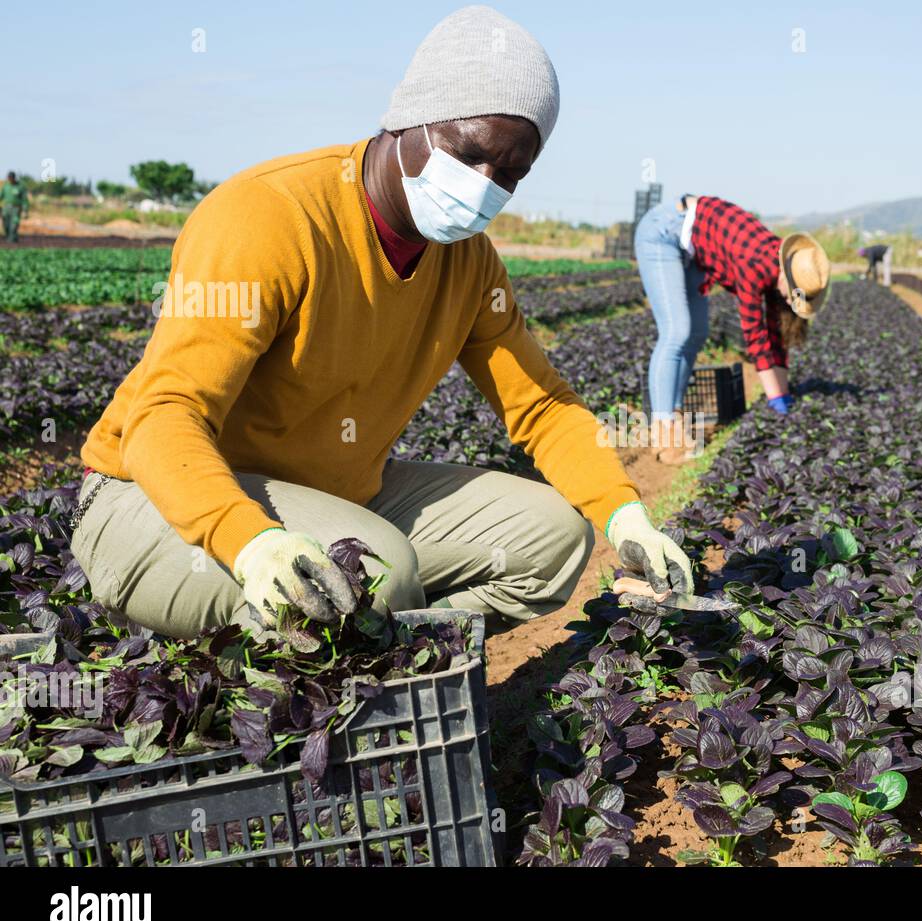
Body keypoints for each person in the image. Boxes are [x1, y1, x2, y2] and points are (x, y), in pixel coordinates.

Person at [71, 5, 693, 640]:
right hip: (151, 502)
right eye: (468, 153)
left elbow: (542, 406)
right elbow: (164, 413)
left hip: (333, 494)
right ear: (407, 119)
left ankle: (389, 652)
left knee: (555, 538)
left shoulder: (469, 263)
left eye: (509, 173)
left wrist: (625, 516)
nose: (482, 186)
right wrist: (249, 540)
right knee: (378, 574)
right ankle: (279, 660)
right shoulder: (270, 215)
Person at [634, 194, 830, 463]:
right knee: (676, 331)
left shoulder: (779, 268)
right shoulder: (755, 264)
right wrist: (775, 399)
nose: (790, 300)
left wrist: (784, 394)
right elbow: (754, 333)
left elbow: (775, 335)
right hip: (662, 231)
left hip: (690, 248)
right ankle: (662, 431)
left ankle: (675, 416)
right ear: (786, 273)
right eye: (793, 294)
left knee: (698, 333)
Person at [1, 172, 29, 243]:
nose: (10, 179)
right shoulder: (5, 186)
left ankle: (12, 242)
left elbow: (24, 200)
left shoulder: (20, 187)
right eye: (9, 178)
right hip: (6, 209)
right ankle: (12, 239)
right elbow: (1, 196)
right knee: (6, 226)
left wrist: (25, 211)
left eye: (11, 178)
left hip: (16, 209)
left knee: (14, 226)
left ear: (14, 178)